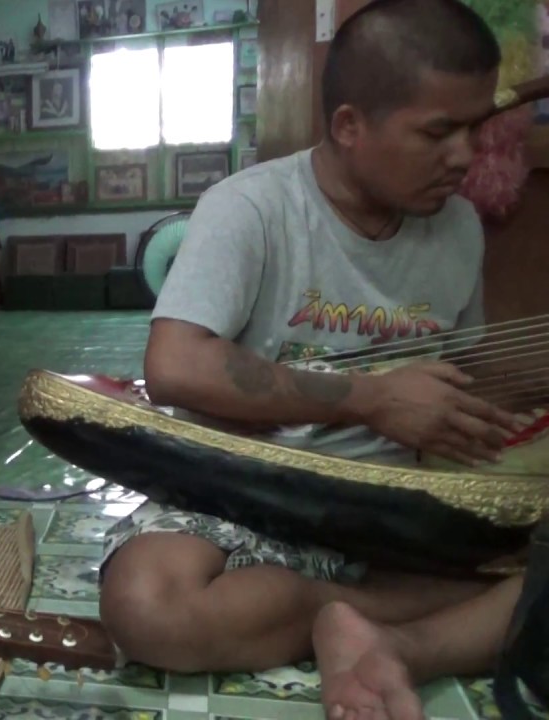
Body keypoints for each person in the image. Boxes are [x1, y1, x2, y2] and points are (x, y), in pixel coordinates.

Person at [97, 1, 528, 718]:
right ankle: (373, 618)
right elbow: (175, 365)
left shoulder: (459, 229)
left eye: (476, 127)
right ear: (349, 126)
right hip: (248, 489)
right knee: (146, 606)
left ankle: (372, 635)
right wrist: (370, 398)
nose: (464, 155)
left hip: (392, 508)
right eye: (438, 131)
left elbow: (464, 372)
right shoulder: (251, 208)